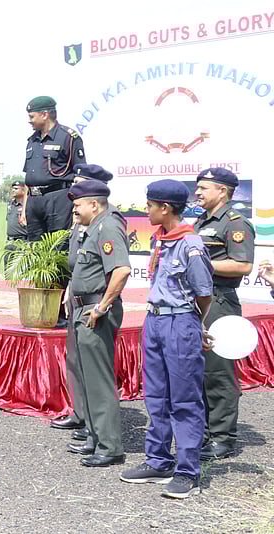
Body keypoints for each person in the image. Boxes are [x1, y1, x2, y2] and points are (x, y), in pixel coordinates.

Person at [119, 179, 214, 499]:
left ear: (165, 208)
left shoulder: (190, 245)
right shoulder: (160, 239)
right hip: (155, 321)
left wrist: (195, 325)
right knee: (156, 396)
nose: (146, 211)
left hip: (180, 322)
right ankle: (158, 461)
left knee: (184, 399)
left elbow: (204, 294)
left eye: (150, 206)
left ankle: (187, 471)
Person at [61, 180, 129, 467]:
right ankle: (94, 437)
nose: (74, 210)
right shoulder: (92, 228)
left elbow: (121, 270)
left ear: (94, 204)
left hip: (95, 311)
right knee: (87, 379)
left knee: (98, 382)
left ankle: (110, 446)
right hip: (83, 309)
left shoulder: (108, 227)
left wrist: (102, 307)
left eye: (78, 205)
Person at [192, 168, 255, 460]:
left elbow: (243, 265)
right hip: (195, 300)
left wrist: (199, 262)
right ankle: (204, 432)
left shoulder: (235, 222)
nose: (197, 192)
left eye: (204, 188)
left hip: (219, 300)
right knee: (198, 371)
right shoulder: (200, 221)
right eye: (198, 187)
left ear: (222, 191)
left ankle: (222, 437)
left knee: (217, 372)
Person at [53, 163, 116, 435]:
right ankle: (81, 414)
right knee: (75, 360)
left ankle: (96, 427)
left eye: (80, 184)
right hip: (78, 296)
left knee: (92, 368)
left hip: (95, 301)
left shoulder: (107, 220)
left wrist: (101, 303)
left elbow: (115, 269)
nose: (74, 189)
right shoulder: (82, 216)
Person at [23, 96, 86, 328]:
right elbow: (28, 177)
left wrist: (77, 207)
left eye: (32, 116)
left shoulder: (69, 137)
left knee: (58, 253)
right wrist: (25, 207)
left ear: (45, 114)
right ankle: (41, 307)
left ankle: (57, 311)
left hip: (58, 198)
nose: (29, 121)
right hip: (34, 200)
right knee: (37, 253)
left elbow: (80, 174)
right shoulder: (32, 140)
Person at [4, 179, 28, 269]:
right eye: (13, 188)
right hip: (10, 241)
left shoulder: (26, 206)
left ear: (23, 190)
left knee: (22, 269)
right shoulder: (10, 205)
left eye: (16, 188)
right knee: (8, 269)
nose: (13, 190)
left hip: (22, 241)